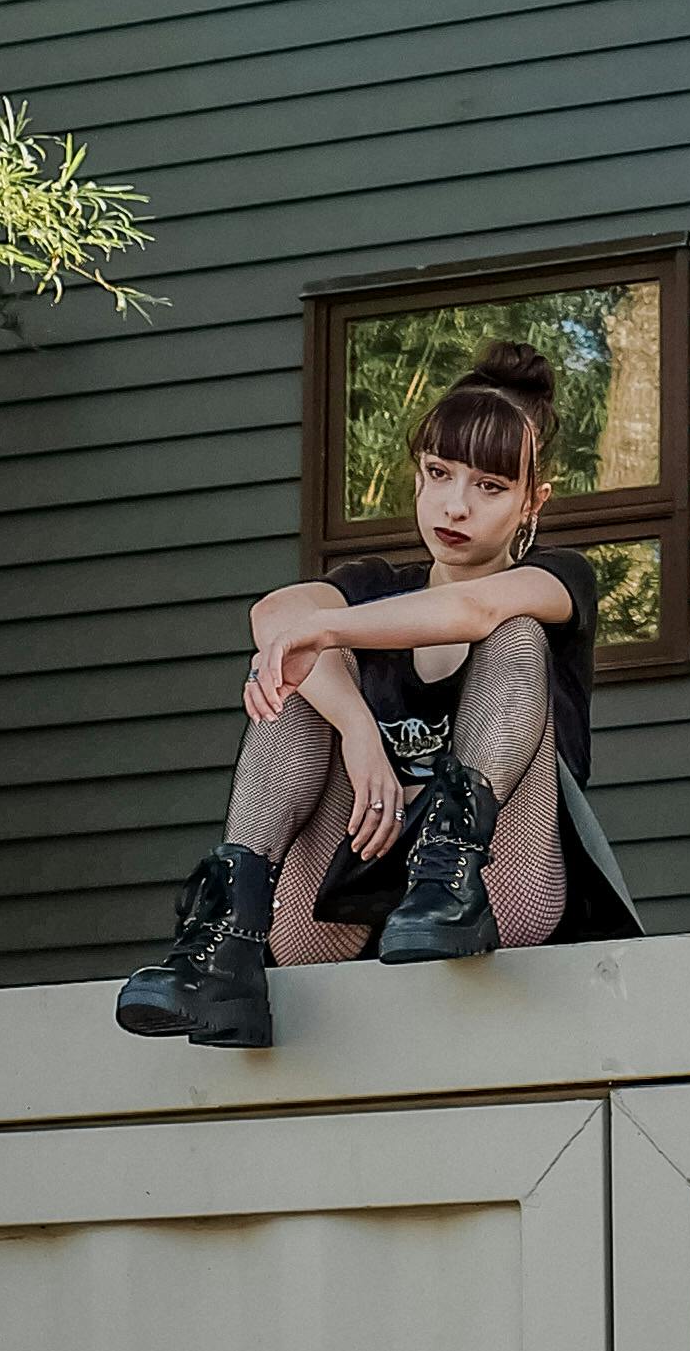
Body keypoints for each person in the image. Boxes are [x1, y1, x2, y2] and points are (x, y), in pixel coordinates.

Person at [114, 339, 638, 1050]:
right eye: (439, 473)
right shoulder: (371, 588)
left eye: (489, 486)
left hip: (496, 886)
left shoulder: (559, 578)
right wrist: (357, 729)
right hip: (338, 896)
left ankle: (446, 877)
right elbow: (271, 616)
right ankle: (225, 944)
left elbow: (471, 613)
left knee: (513, 636)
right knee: (295, 678)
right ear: (416, 477)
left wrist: (326, 631)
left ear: (531, 503)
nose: (456, 505)